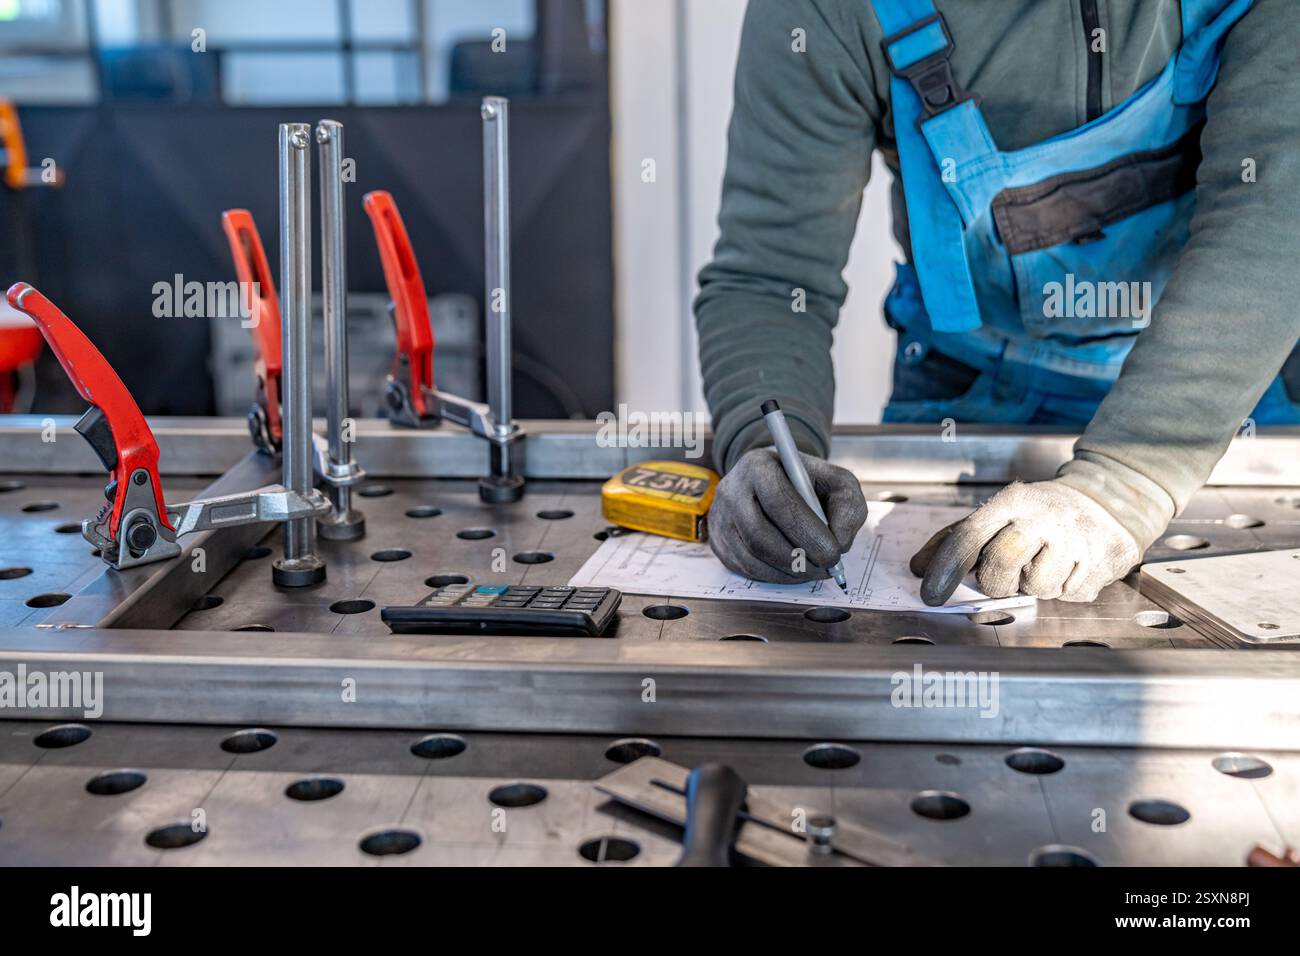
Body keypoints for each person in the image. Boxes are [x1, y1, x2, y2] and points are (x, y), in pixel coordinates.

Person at [698, 0, 1300, 604]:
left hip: (1229, 385)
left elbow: (1274, 217)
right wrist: (766, 450)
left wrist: (1120, 489)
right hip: (966, 389)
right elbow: (772, 280)